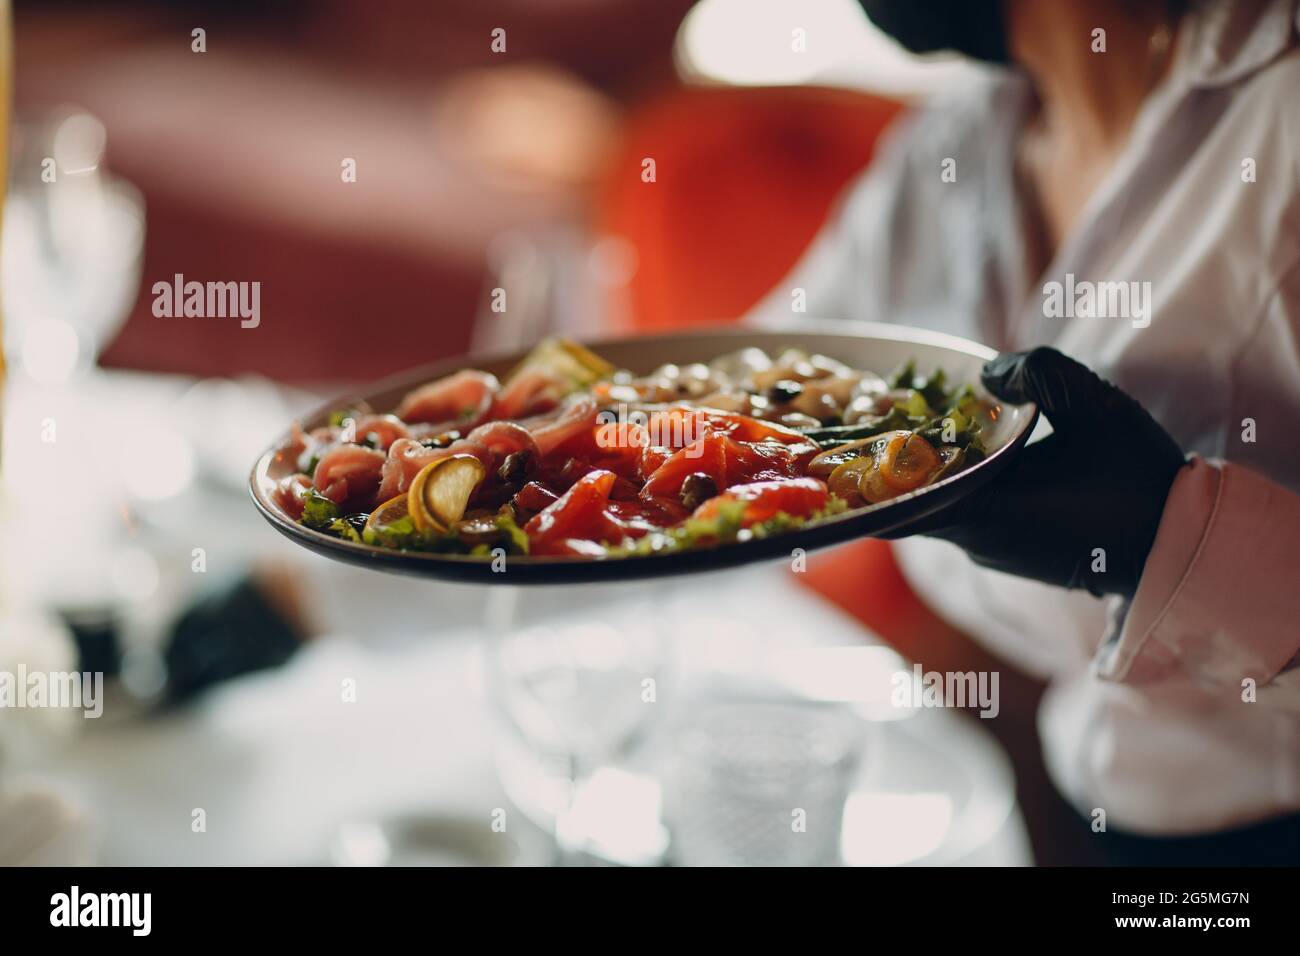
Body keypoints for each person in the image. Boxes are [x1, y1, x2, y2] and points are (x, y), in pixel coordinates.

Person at [751, 0, 1300, 863]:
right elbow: (740, 393)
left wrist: (1168, 537)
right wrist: (521, 436)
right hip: (1076, 819)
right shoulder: (950, 150)